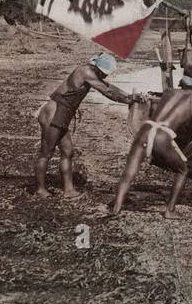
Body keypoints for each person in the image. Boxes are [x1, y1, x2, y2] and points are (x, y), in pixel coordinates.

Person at [107, 63, 192, 217]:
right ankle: (170, 210)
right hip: (162, 135)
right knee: (182, 170)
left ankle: (116, 208)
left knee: (129, 172)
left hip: (145, 129)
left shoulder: (169, 92)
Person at [35, 53, 141, 197]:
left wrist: (129, 96)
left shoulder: (92, 73)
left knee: (68, 152)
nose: (105, 77)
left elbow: (109, 87)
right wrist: (127, 100)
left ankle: (68, 190)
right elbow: (106, 91)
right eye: (104, 74)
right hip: (53, 113)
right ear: (98, 68)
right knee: (46, 153)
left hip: (62, 113)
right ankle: (40, 189)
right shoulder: (85, 71)